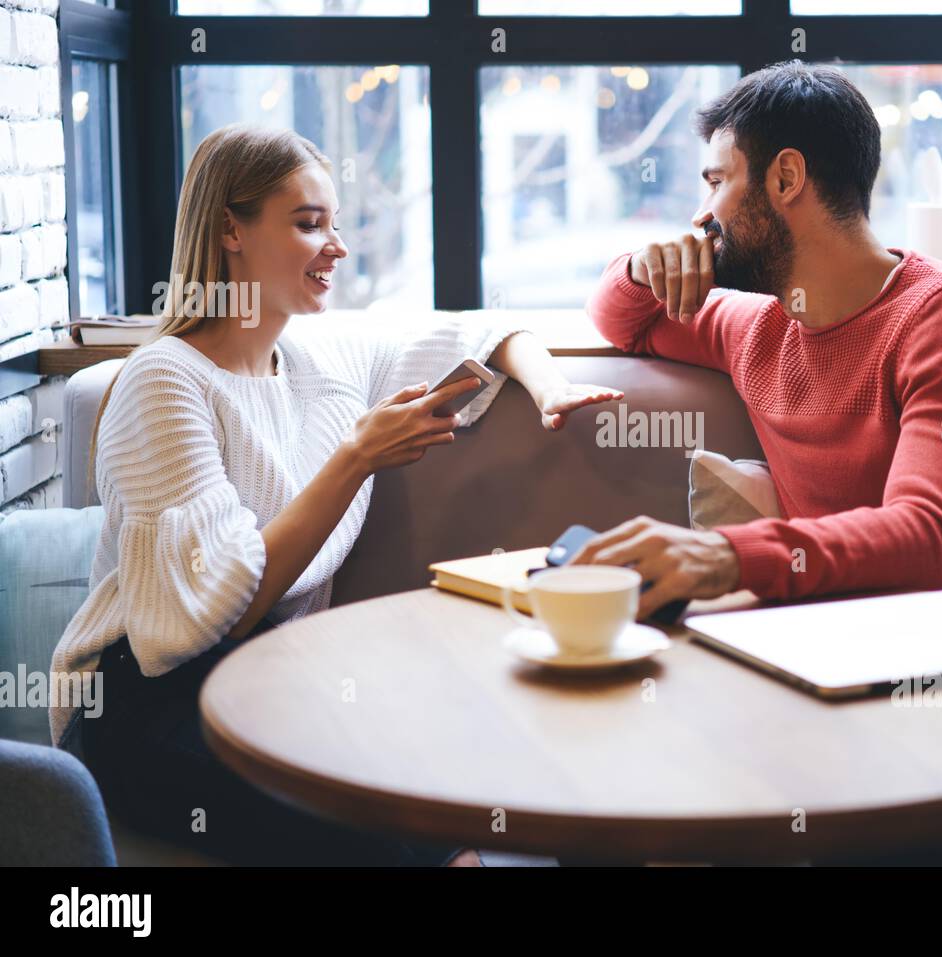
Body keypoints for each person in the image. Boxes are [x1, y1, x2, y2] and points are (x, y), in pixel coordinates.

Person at [48, 124, 623, 866]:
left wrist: (552, 388)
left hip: (274, 675)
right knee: (411, 830)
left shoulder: (324, 360)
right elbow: (217, 614)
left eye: (336, 224)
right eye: (308, 223)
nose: (337, 247)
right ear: (231, 228)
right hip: (150, 703)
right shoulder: (166, 380)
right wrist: (356, 458)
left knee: (476, 751)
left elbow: (481, 331)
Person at [575, 60, 942, 618]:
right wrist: (641, 268)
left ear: (785, 178)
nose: (700, 215)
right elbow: (623, 320)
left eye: (715, 183)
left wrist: (725, 556)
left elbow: (931, 543)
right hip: (839, 639)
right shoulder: (760, 326)